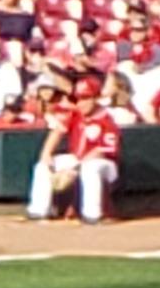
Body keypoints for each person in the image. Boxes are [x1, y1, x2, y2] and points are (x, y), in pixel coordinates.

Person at [27, 91, 124, 224]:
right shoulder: (74, 115)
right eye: (78, 99)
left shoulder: (107, 120)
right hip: (78, 159)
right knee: (42, 166)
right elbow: (57, 132)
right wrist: (46, 154)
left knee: (90, 168)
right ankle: (39, 210)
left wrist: (75, 169)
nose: (81, 103)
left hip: (106, 165)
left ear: (95, 99)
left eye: (85, 98)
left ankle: (92, 214)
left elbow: (101, 151)